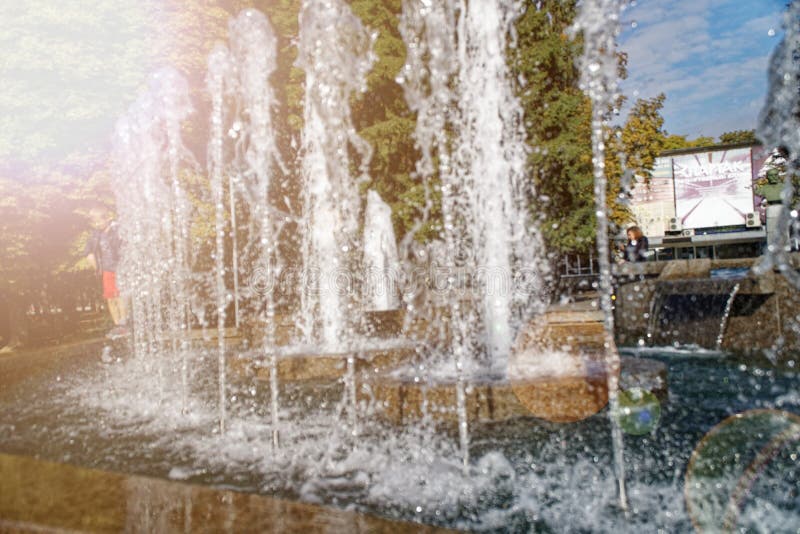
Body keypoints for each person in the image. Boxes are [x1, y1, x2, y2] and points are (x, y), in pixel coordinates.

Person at [85, 204, 128, 338]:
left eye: (99, 221)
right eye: (94, 222)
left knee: (120, 296)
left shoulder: (116, 229)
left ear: (107, 218)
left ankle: (124, 324)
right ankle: (117, 326)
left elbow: (127, 243)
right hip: (107, 270)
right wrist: (93, 260)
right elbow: (88, 251)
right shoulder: (95, 235)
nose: (97, 224)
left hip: (120, 268)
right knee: (110, 298)